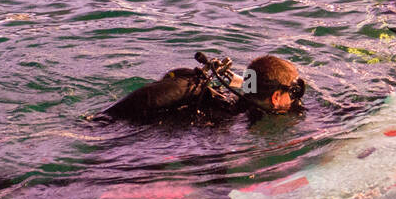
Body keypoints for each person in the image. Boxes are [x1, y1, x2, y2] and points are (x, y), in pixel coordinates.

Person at [102, 53, 305, 123]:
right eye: (293, 94)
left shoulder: (230, 97)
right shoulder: (232, 123)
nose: (296, 100)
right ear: (276, 97)